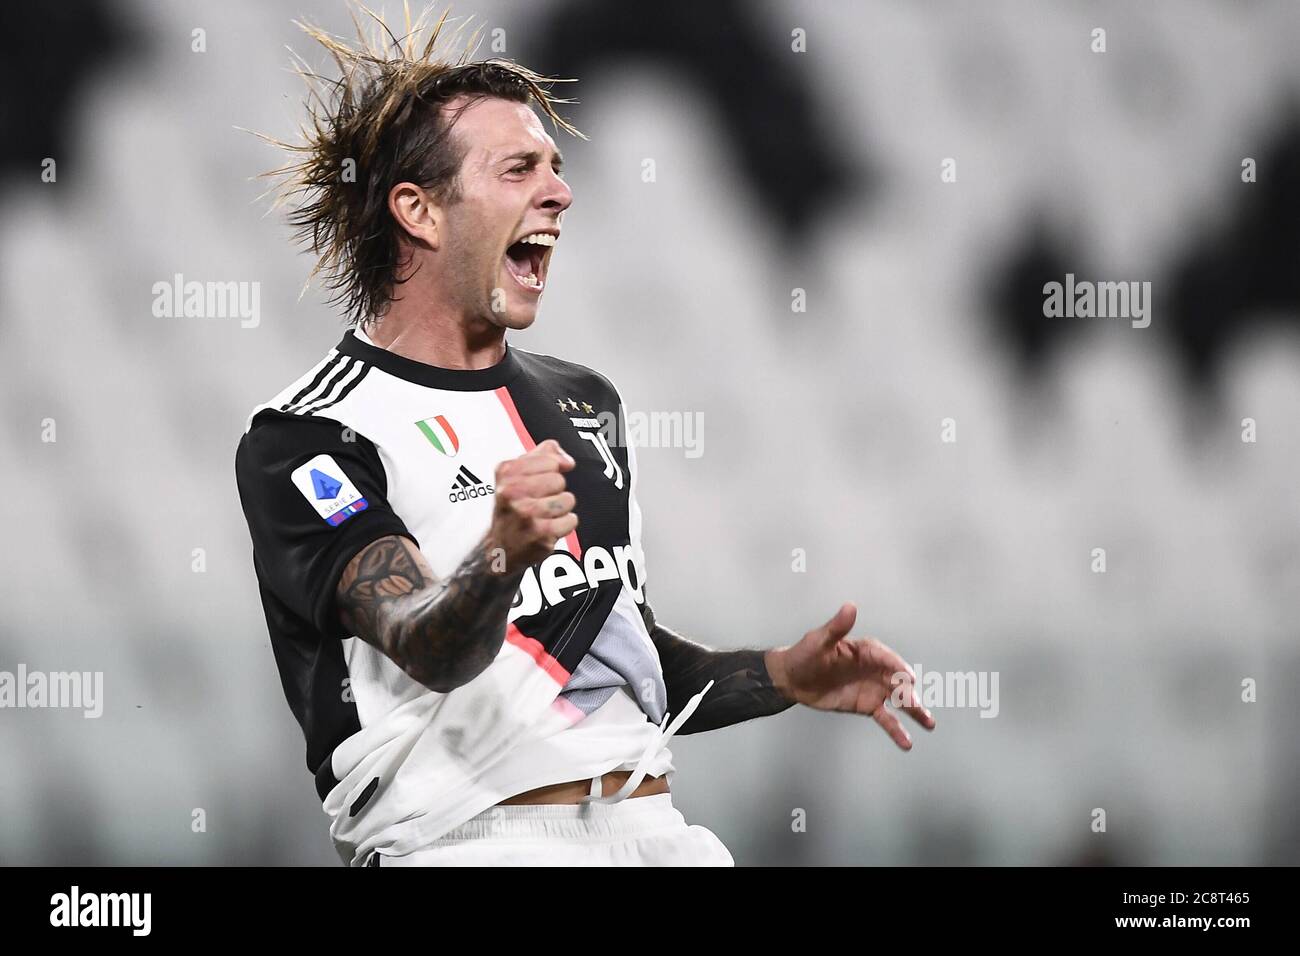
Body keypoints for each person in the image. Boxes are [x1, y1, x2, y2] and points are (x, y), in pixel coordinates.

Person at [234, 6, 934, 867]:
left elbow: (613, 646)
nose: (560, 191)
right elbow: (425, 642)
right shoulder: (312, 435)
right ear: (418, 211)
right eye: (520, 167)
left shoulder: (584, 403)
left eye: (557, 168)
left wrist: (782, 674)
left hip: (658, 835)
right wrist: (501, 551)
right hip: (467, 842)